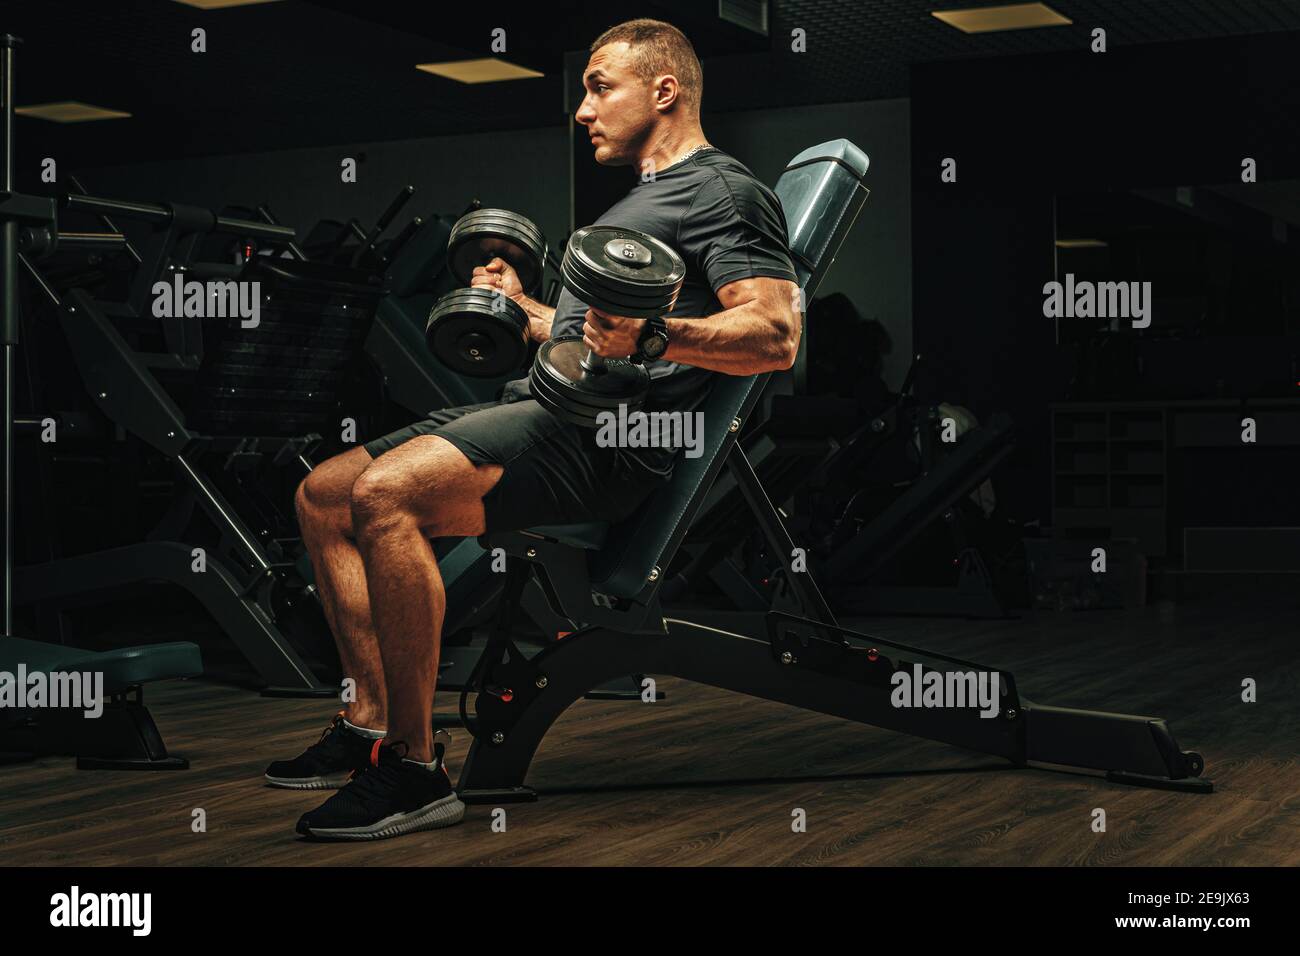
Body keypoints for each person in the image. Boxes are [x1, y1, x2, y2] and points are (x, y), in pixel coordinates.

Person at [266, 18, 801, 841]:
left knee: (385, 497)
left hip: (605, 442)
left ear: (665, 91)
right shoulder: (643, 198)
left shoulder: (723, 193)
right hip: (547, 410)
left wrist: (654, 337)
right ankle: (370, 723)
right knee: (322, 495)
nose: (582, 110)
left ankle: (412, 770)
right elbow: (594, 337)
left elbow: (774, 336)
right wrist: (530, 310)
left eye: (599, 87)